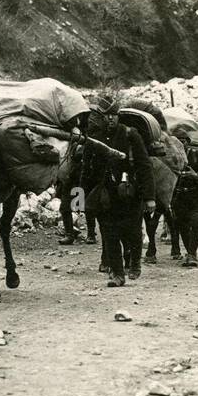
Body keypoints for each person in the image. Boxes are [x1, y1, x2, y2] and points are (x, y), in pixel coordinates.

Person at [82, 94, 154, 287]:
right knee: (109, 233)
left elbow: (144, 166)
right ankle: (117, 273)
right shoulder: (94, 139)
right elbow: (86, 170)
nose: (111, 118)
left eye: (114, 114)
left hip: (131, 192)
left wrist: (149, 197)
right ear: (101, 117)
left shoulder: (131, 135)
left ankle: (135, 263)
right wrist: (82, 196)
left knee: (133, 232)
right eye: (107, 115)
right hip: (107, 195)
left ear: (118, 115)